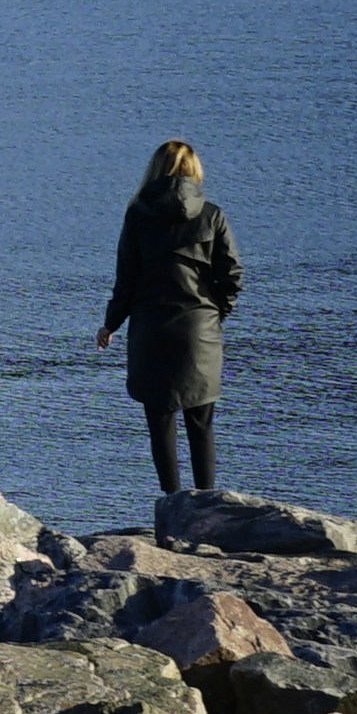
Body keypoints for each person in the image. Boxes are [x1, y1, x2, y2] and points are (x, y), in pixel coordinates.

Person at [100, 139, 245, 504]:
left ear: (155, 170)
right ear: (194, 171)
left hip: (151, 329)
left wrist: (110, 324)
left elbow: (127, 280)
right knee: (201, 424)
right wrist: (214, 314)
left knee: (160, 423)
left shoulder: (137, 214)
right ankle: (206, 507)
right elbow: (232, 276)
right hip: (200, 330)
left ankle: (171, 505)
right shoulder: (212, 214)